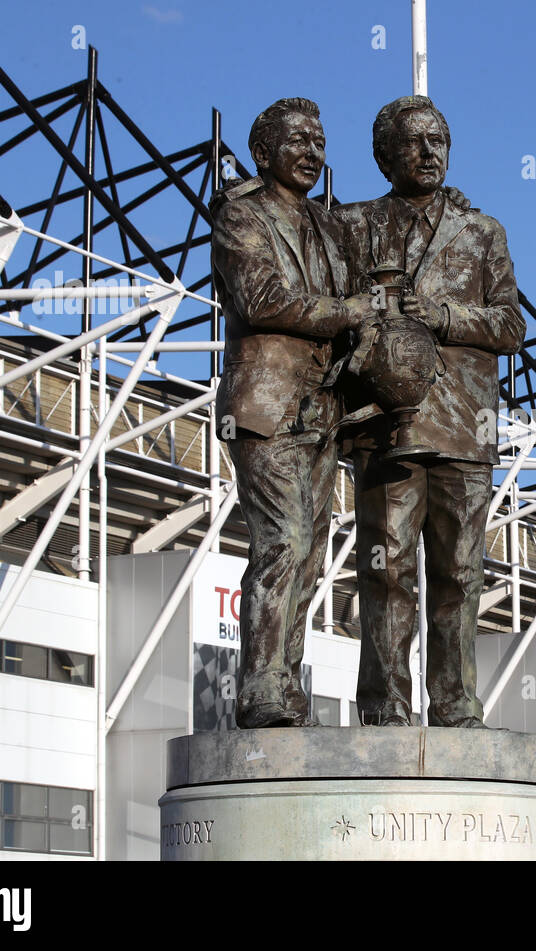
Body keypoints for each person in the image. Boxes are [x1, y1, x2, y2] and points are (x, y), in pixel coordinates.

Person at [334, 96, 524, 728]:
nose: (429, 152)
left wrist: (443, 317)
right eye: (414, 142)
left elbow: (510, 324)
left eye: (439, 139)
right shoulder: (354, 224)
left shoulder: (482, 231)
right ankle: (384, 707)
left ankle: (455, 705)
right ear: (384, 154)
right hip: (386, 423)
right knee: (385, 568)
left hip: (466, 426)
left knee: (461, 574)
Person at [211, 97, 376, 728]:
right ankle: (259, 685)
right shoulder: (240, 214)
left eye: (319, 140)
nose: (311, 151)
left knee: (309, 559)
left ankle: (286, 685)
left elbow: (355, 293)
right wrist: (350, 312)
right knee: (283, 540)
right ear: (262, 153)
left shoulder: (327, 227)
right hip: (265, 403)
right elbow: (263, 299)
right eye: (297, 140)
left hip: (321, 410)